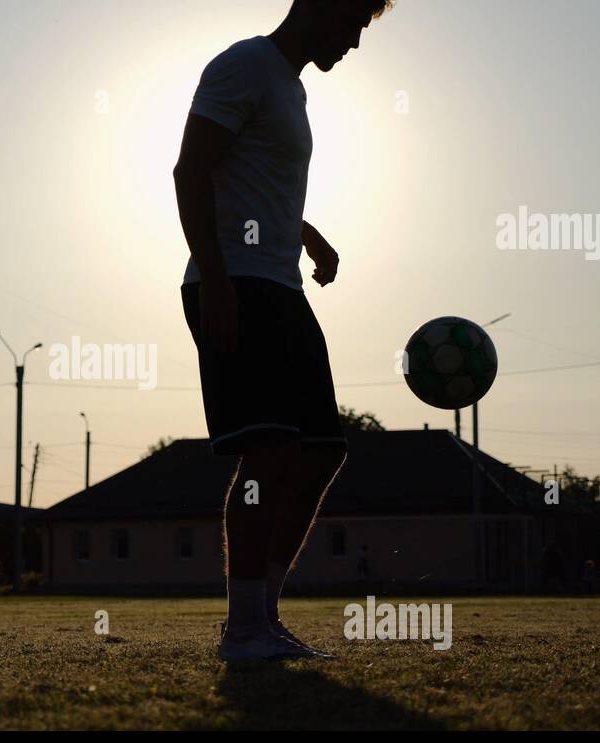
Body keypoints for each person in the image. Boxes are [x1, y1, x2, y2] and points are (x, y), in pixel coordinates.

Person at [174, 0, 394, 661]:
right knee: (266, 452)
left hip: (281, 285)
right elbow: (191, 171)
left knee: (323, 449)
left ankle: (263, 617)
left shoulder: (291, 90)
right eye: (355, 24)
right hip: (234, 283)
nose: (356, 43)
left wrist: (308, 233)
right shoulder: (244, 66)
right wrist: (215, 281)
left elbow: (252, 181)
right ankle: (242, 630)